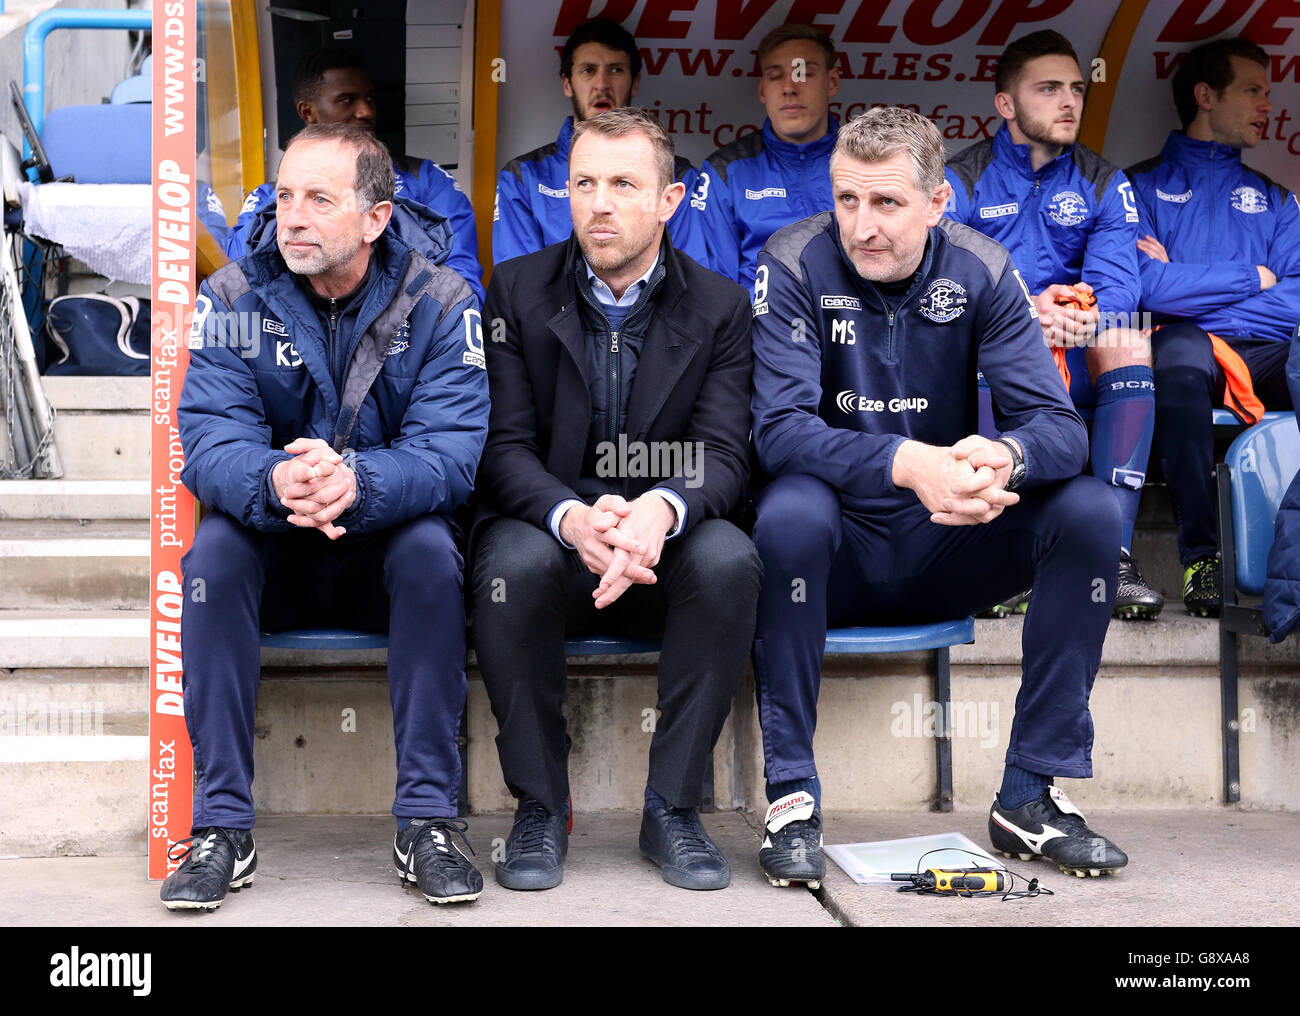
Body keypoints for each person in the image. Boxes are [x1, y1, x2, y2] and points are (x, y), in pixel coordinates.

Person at [749, 107, 1129, 889]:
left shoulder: (983, 267)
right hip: (832, 553)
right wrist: (905, 461)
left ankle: (1030, 796)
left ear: (938, 201)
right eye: (846, 200)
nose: (861, 226)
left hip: (945, 537)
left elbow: (1059, 429)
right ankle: (791, 799)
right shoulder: (791, 261)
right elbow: (777, 432)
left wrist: (1003, 457)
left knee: (1089, 510)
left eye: (886, 203)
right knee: (787, 511)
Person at [161, 123, 490, 910]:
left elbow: (451, 452)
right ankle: (221, 828)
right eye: (283, 196)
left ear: (376, 218)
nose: (291, 217)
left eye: (318, 199)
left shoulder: (441, 301)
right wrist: (281, 479)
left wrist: (357, 482)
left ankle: (427, 823)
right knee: (211, 557)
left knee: (428, 553)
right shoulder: (233, 295)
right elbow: (207, 440)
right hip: (278, 549)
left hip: (380, 552)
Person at [472, 108, 760, 892]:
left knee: (732, 559)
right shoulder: (517, 291)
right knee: (509, 563)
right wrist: (571, 517)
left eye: (624, 184)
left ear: (670, 202)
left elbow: (727, 453)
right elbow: (501, 449)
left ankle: (672, 808)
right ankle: (539, 804)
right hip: (557, 534)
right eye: (583, 183)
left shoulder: (722, 306)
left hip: (665, 543)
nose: (598, 203)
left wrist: (659, 512)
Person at [944, 30, 1162, 620]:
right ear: (1006, 105)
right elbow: (946, 284)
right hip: (989, 359)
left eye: (1074, 88)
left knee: (1128, 334)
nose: (1069, 101)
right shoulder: (960, 179)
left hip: (1075, 350)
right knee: (988, 335)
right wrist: (1027, 310)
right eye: (1048, 89)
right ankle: (1005, 551)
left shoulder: (1103, 180)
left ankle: (1111, 556)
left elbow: (1120, 286)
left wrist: (1072, 314)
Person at [1127, 37, 1300, 616]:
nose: (1267, 106)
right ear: (1206, 96)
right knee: (1176, 356)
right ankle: (1203, 559)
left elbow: (1297, 300)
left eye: (1268, 93)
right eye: (1253, 90)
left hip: (1262, 350)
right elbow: (1145, 290)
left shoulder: (1277, 200)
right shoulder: (1136, 188)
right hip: (1183, 347)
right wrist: (1256, 276)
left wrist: (1189, 289)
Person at [222, 47, 484, 304]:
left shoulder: (427, 179)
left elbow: (462, 287)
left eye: (369, 99)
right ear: (308, 112)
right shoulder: (268, 197)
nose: (366, 112)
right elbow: (240, 280)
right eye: (347, 100)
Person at [492, 18, 709, 267]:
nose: (602, 83)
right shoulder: (523, 176)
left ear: (635, 82)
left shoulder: (677, 174)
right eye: (588, 70)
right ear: (567, 83)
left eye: (616, 70)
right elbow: (518, 284)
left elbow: (689, 277)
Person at [694, 24, 840, 294]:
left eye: (803, 73)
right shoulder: (726, 170)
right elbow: (712, 291)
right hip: (760, 331)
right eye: (775, 76)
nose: (789, 88)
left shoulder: (868, 162)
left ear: (832, 82)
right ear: (762, 90)